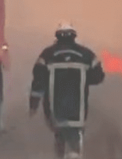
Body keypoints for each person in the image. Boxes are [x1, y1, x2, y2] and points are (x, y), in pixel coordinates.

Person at [29, 22, 105, 158]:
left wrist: (33, 105)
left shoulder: (47, 55)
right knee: (75, 140)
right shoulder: (86, 55)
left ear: (57, 36)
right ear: (74, 36)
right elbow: (98, 76)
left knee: (60, 137)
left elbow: (38, 82)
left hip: (55, 111)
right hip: (78, 111)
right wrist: (83, 80)